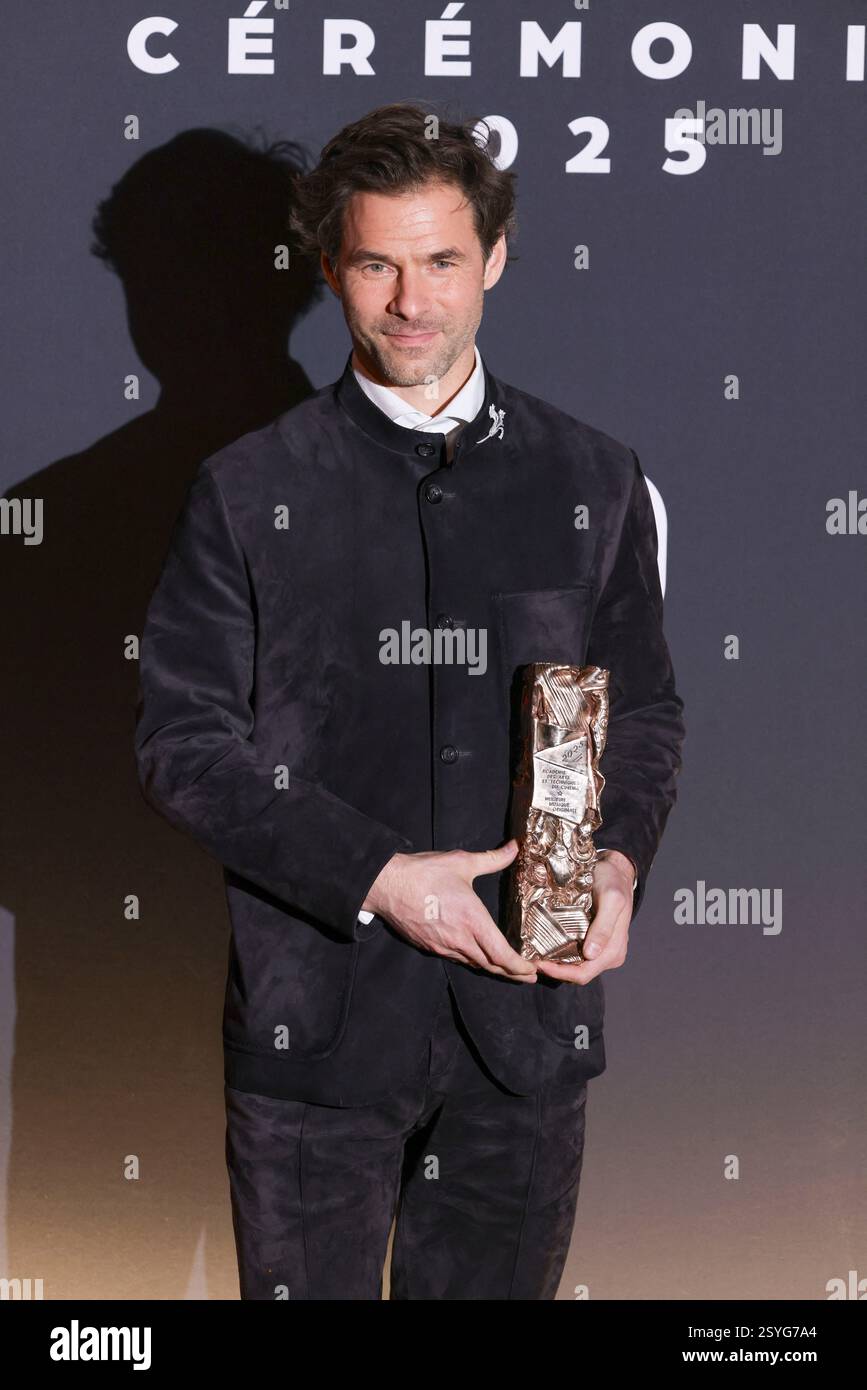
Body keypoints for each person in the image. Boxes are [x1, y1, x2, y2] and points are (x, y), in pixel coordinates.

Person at [134, 101, 686, 1300]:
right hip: (313, 1045)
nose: (411, 303)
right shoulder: (246, 489)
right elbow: (183, 745)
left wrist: (619, 865)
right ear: (331, 266)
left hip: (526, 1036)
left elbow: (641, 715)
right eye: (377, 262)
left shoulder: (595, 475)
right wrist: (380, 874)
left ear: (494, 257)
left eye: (442, 260)